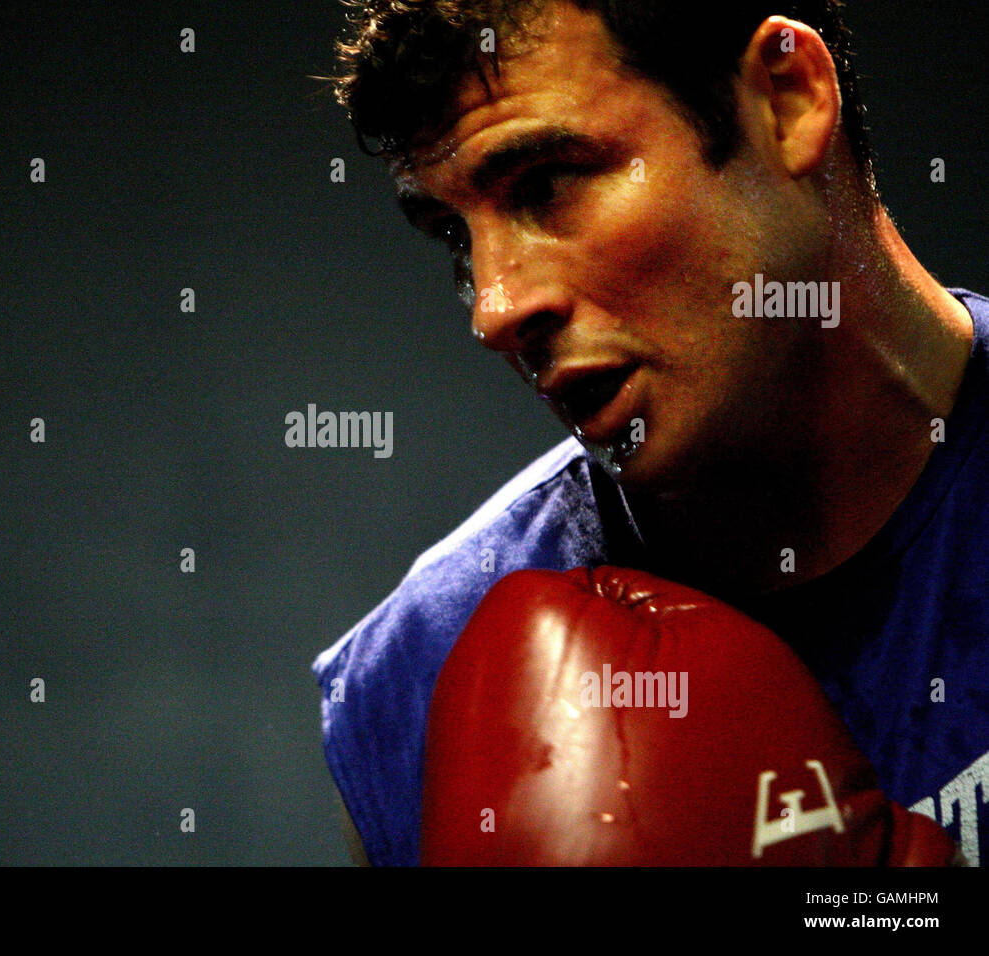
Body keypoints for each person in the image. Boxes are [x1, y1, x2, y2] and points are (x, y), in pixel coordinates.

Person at [311, 0, 989, 867]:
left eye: (546, 185)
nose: (495, 308)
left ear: (786, 99)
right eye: (454, 234)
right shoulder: (417, 683)